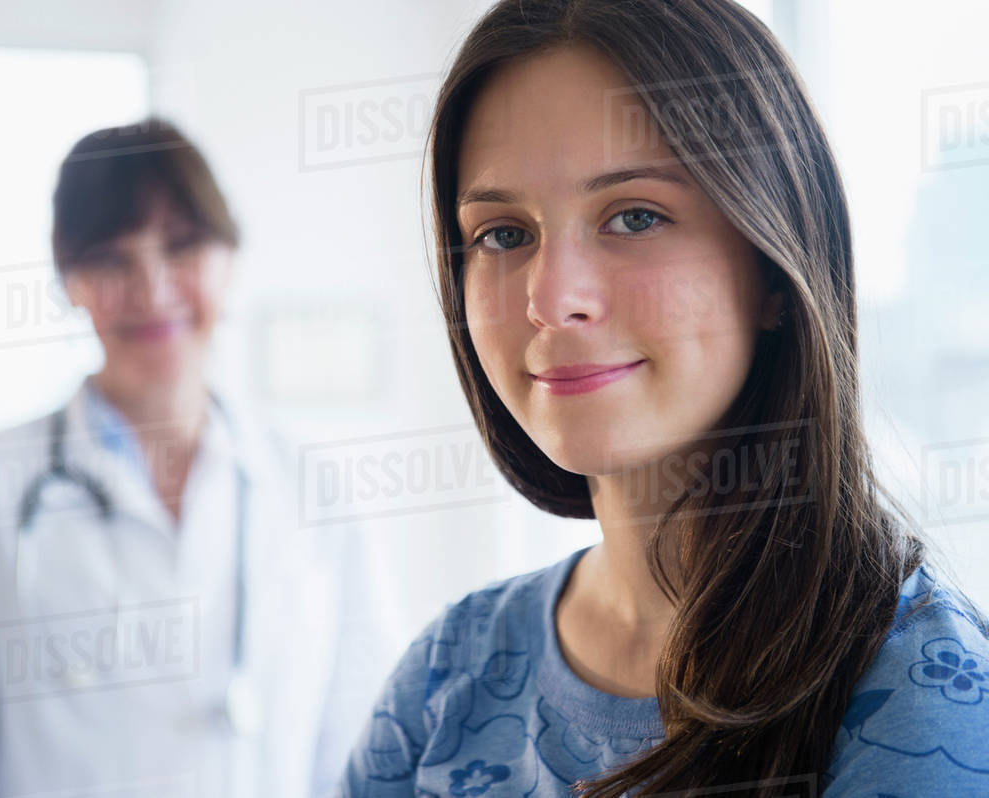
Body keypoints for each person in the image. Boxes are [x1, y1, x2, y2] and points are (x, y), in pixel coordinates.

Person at [338, 1, 989, 795]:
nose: (552, 299)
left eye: (635, 217)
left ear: (774, 269)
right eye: (504, 234)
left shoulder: (925, 700)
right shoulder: (445, 673)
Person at [0, 117, 363, 798]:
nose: (151, 287)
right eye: (109, 258)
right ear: (68, 280)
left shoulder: (312, 488)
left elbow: (366, 750)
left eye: (182, 245)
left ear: (230, 256)